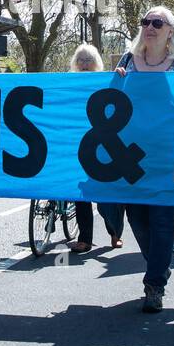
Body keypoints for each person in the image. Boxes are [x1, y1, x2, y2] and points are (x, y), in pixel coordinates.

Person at [112, 6, 174, 313]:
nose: (149, 26)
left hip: (167, 155)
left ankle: (155, 283)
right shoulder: (127, 61)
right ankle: (159, 265)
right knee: (137, 218)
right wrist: (116, 82)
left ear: (169, 30)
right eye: (145, 21)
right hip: (130, 156)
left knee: (161, 221)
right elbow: (110, 103)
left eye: (157, 22)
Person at [66, 44, 125, 253]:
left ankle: (115, 233)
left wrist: (119, 77)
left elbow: (120, 97)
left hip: (102, 146)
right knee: (81, 194)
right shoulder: (70, 83)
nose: (83, 64)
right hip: (77, 146)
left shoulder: (105, 81)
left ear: (96, 63)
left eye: (88, 60)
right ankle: (85, 239)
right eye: (80, 60)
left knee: (106, 195)